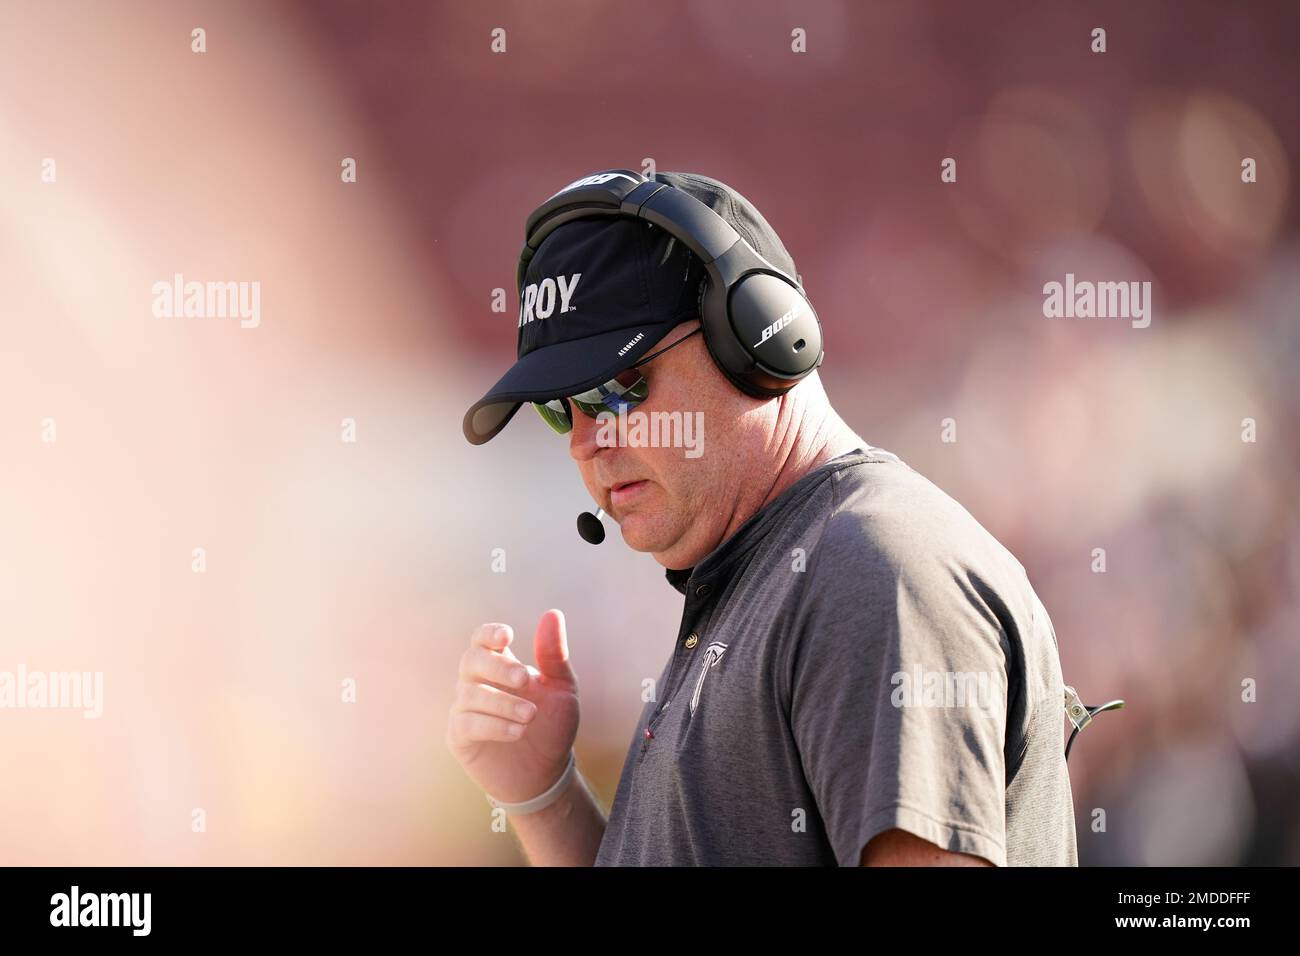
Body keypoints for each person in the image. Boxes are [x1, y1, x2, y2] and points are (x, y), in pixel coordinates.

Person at [450, 170, 1077, 866]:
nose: (583, 439)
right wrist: (545, 797)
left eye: (614, 388)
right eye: (558, 407)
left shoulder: (870, 571)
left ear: (757, 339)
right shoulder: (766, 576)